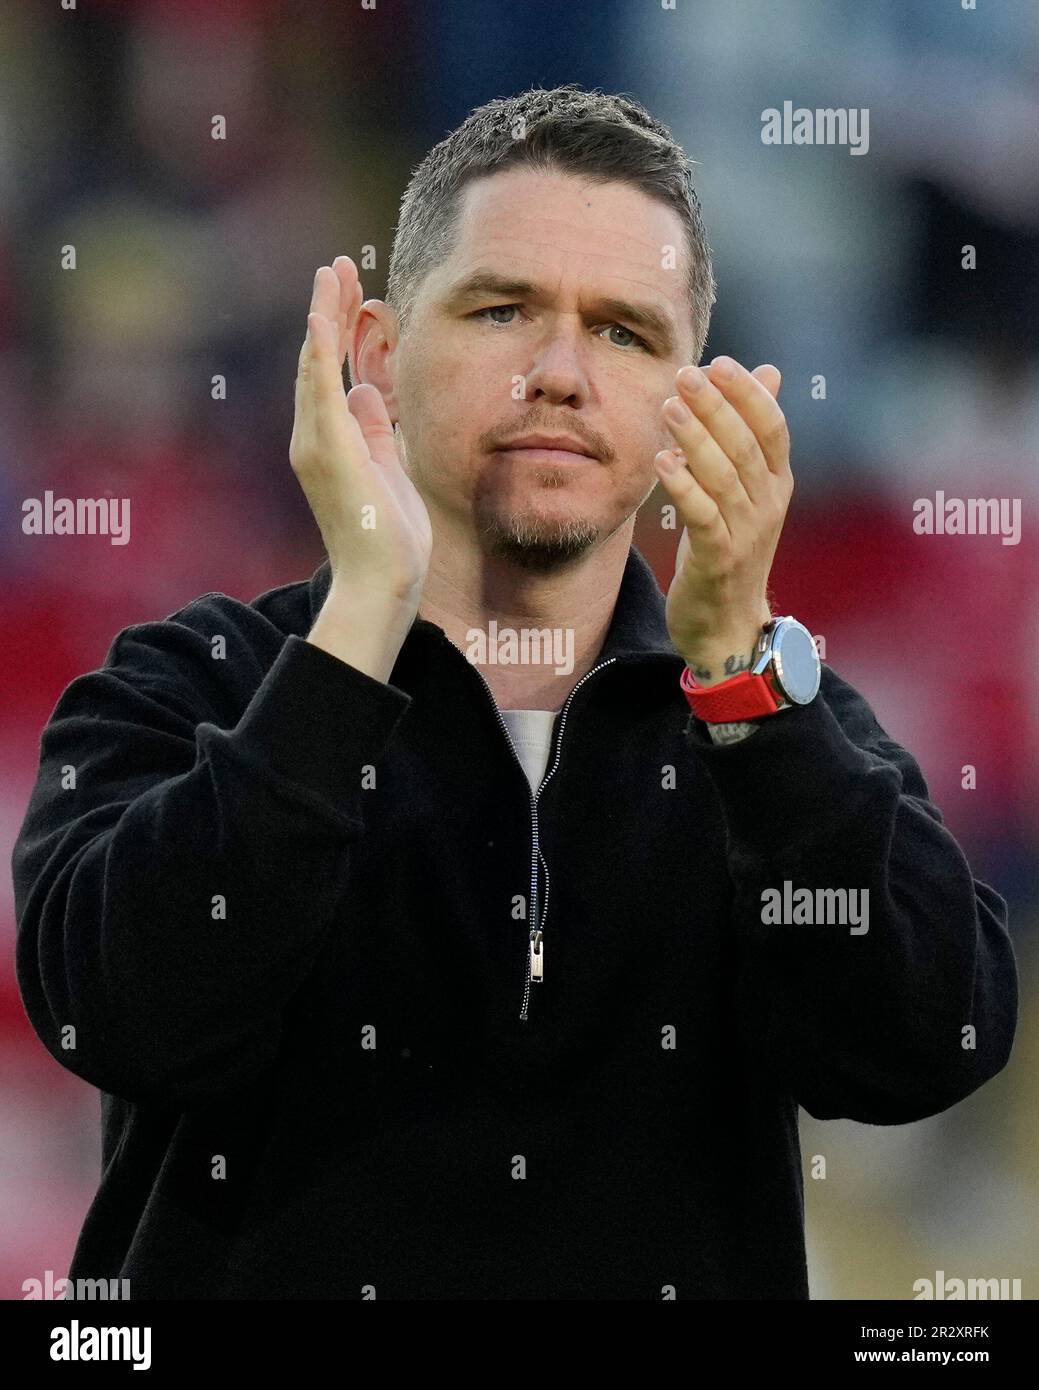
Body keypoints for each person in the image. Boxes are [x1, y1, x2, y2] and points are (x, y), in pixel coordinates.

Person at [12, 84, 1017, 1300]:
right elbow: (121, 1016)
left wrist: (743, 688)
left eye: (625, 334)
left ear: (686, 402)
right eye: (501, 310)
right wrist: (360, 627)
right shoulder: (184, 685)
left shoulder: (767, 721)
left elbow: (927, 1046)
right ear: (375, 355)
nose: (559, 374)